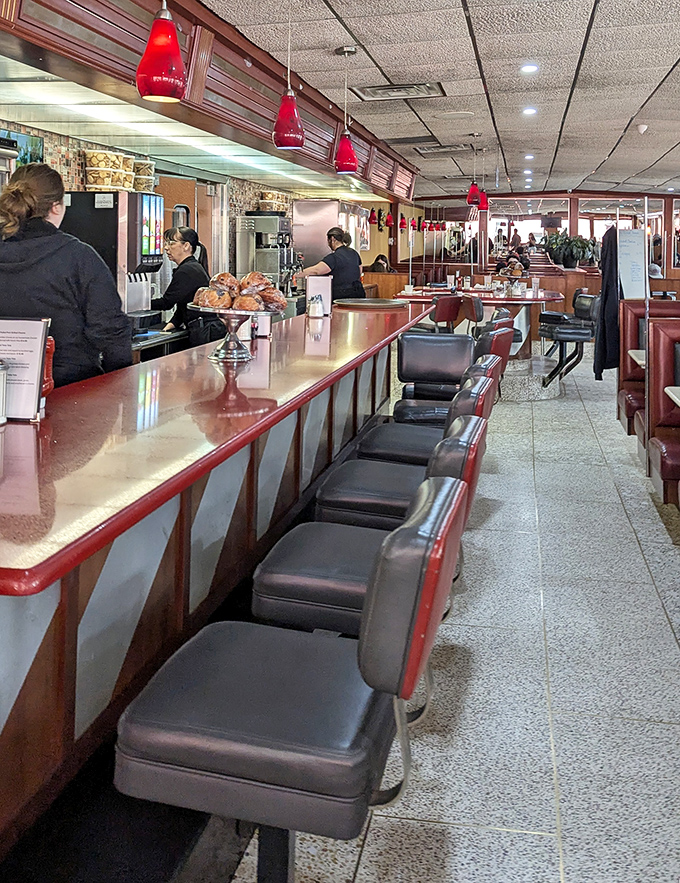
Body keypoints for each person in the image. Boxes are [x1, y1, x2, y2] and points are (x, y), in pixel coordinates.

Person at [0, 162, 131, 388]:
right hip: (71, 392)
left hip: (4, 395)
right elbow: (111, 332)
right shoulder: (79, 257)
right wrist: (118, 394)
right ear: (56, 207)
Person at [151, 226, 210, 330]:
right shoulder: (192, 266)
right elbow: (182, 307)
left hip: (204, 330)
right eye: (166, 243)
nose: (166, 248)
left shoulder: (187, 270)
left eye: (171, 243)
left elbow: (166, 303)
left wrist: (139, 305)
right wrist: (167, 328)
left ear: (186, 246)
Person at [298, 226, 365, 300]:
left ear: (333, 239)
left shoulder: (334, 257)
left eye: (328, 240)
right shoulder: (354, 253)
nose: (328, 244)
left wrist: (297, 274)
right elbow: (359, 271)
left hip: (343, 296)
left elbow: (317, 271)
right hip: (358, 294)